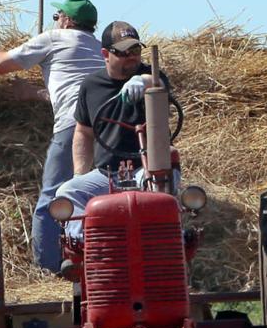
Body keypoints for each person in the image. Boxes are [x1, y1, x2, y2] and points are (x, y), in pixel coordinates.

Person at [0, 0, 104, 274]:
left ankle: (48, 271)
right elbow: (76, 92)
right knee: (98, 197)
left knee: (53, 200)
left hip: (74, 130)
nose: (56, 22)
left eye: (57, 17)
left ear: (66, 20)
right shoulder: (99, 50)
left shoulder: (54, 38)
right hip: (110, 131)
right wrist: (33, 94)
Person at [55, 21, 180, 250]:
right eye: (123, 52)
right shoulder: (91, 86)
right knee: (67, 192)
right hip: (107, 174)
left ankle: (163, 244)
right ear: (105, 54)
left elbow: (160, 83)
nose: (132, 57)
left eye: (135, 50)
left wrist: (143, 81)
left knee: (164, 177)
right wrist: (79, 173)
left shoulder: (150, 75)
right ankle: (87, 249)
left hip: (146, 170)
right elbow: (83, 131)